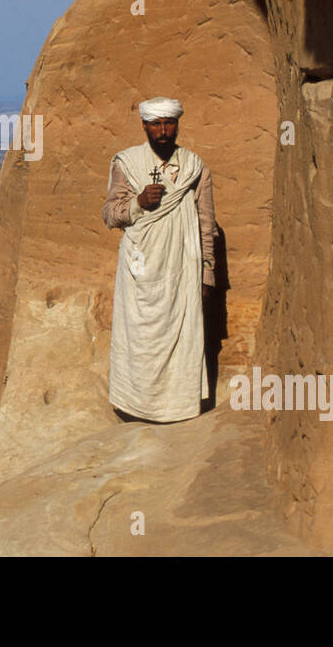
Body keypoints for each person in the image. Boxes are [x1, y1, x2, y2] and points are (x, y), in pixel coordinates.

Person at [101, 96, 217, 423]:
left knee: (180, 335)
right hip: (139, 266)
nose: (164, 131)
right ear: (145, 126)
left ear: (177, 124)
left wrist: (207, 274)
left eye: (169, 124)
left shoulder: (195, 167)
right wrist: (137, 203)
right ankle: (137, 408)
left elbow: (206, 222)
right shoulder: (127, 163)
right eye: (157, 124)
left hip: (182, 266)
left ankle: (176, 409)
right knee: (139, 336)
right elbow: (109, 215)